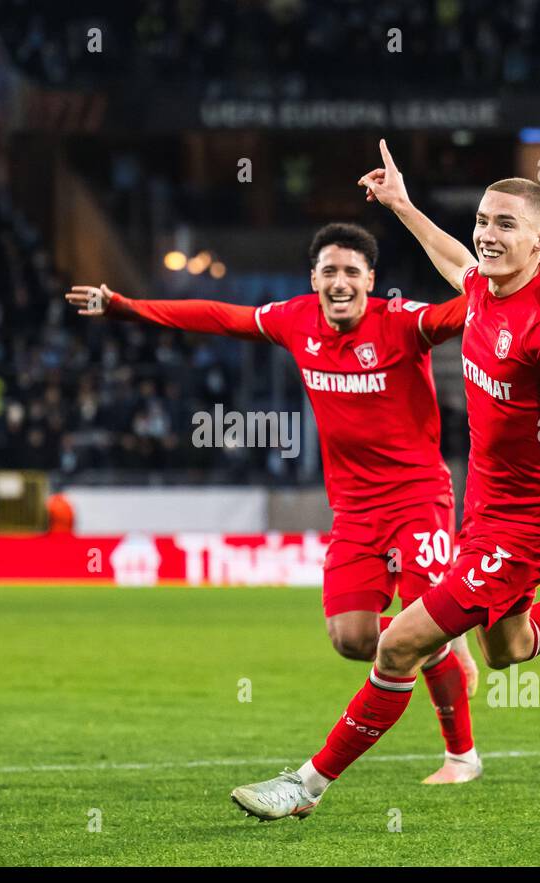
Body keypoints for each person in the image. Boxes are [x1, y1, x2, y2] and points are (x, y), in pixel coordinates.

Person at [229, 142, 540, 821]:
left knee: (399, 642)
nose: (487, 233)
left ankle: (305, 786)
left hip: (534, 516)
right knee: (507, 648)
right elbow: (459, 266)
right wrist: (403, 205)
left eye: (506, 223)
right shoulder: (487, 285)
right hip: (487, 499)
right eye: (483, 219)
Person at [66, 222, 485, 784]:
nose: (340, 282)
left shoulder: (401, 322)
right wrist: (124, 307)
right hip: (354, 509)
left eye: (352, 272)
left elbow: (466, 311)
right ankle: (436, 634)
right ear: (314, 279)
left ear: (371, 280)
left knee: (418, 623)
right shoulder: (294, 320)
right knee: (352, 639)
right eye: (330, 271)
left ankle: (461, 755)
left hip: (417, 495)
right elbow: (217, 316)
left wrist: (501, 286)